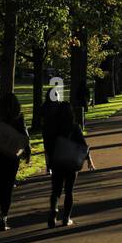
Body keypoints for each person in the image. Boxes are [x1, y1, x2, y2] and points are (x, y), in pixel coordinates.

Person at [41, 96, 94, 229]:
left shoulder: (52, 128)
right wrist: (89, 161)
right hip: (71, 162)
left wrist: (48, 164)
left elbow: (48, 147)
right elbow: (83, 146)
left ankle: (53, 211)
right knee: (69, 191)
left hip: (57, 161)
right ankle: (66, 218)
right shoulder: (74, 127)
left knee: (56, 191)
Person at [0, 92, 31, 231]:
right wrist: (27, 152)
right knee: (9, 184)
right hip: (12, 154)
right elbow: (25, 136)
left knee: (1, 183)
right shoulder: (18, 118)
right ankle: (4, 215)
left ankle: (1, 211)